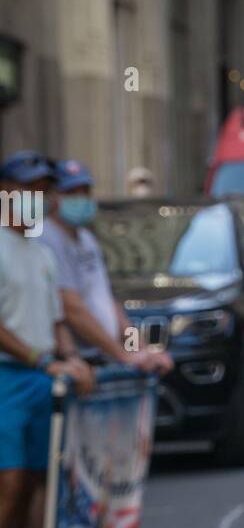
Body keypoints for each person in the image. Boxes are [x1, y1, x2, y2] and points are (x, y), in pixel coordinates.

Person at [0, 152, 94, 528]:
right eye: (26, 188)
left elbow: (57, 321)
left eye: (43, 190)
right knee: (11, 486)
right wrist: (39, 358)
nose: (36, 198)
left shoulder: (39, 252)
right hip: (8, 379)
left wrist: (70, 358)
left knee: (37, 485)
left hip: (41, 379)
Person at [39, 159, 173, 374]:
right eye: (71, 192)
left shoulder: (86, 238)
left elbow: (107, 302)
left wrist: (139, 349)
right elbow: (71, 308)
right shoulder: (47, 238)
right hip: (79, 362)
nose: (80, 198)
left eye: (85, 191)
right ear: (54, 196)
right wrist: (122, 355)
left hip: (102, 356)